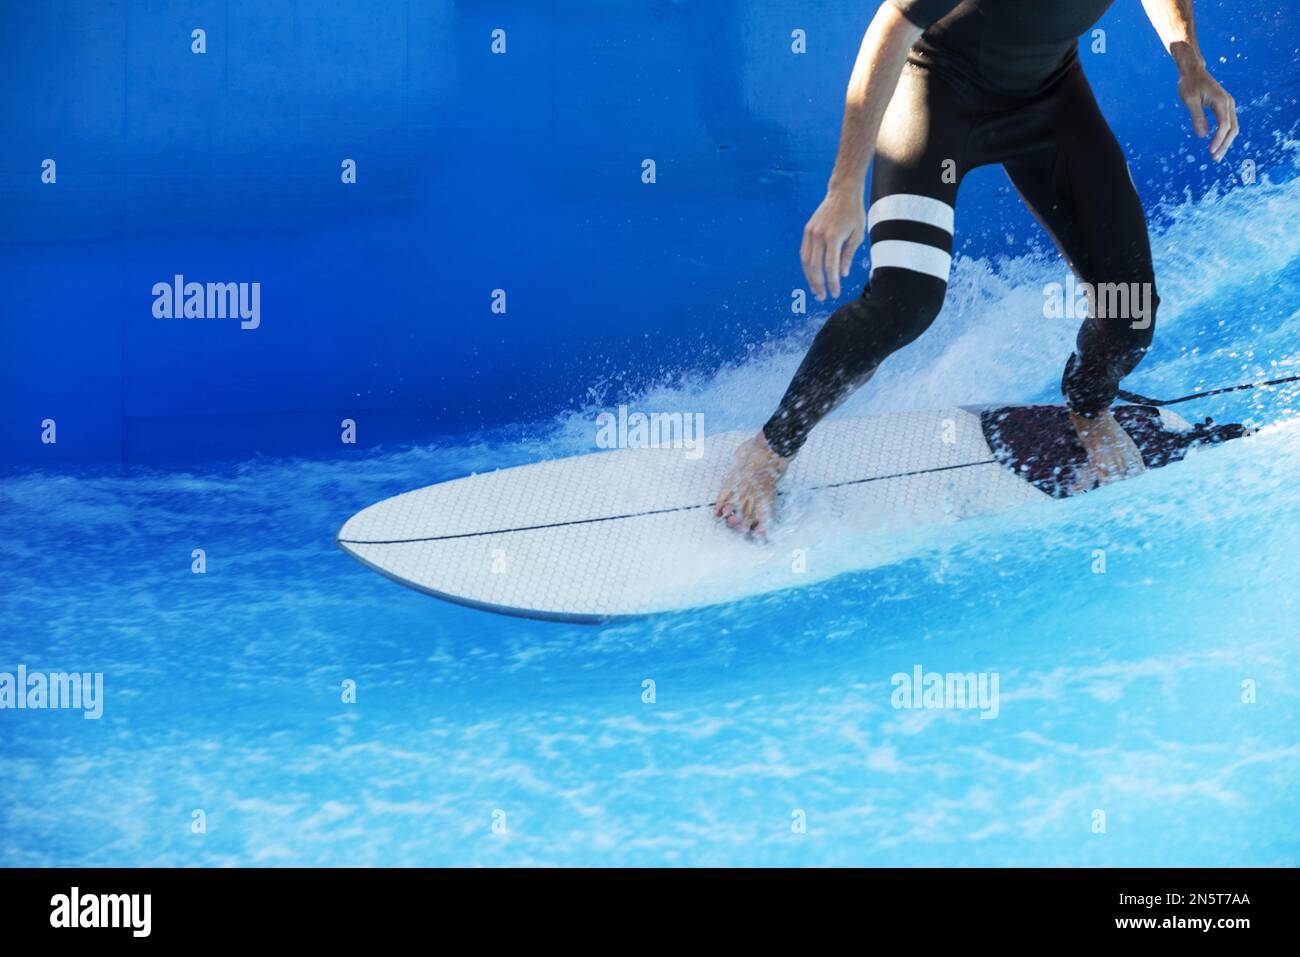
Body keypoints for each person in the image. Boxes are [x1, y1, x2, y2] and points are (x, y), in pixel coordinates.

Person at [715, 0, 1238, 538]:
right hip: (936, 93)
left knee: (1129, 314)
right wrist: (844, 186)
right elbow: (891, 28)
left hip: (1050, 99)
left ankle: (1089, 408)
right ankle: (769, 450)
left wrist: (1190, 63)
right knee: (904, 303)